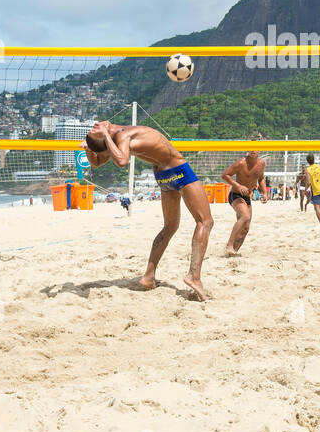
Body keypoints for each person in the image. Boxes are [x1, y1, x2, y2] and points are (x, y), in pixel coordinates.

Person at [85, 121, 213, 300]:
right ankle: (194, 276)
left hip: (162, 175)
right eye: (94, 129)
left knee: (170, 227)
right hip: (178, 169)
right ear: (102, 137)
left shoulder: (116, 139)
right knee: (205, 221)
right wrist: (103, 136)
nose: (96, 124)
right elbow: (121, 161)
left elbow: (97, 162)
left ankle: (148, 276)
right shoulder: (120, 135)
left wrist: (90, 148)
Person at [221, 150, 267, 257]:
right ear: (247, 149)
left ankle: (232, 253)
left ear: (259, 150)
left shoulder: (261, 164)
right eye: (250, 148)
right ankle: (229, 245)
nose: (253, 150)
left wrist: (265, 193)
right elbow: (225, 175)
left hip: (247, 197)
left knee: (245, 228)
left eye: (255, 148)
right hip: (235, 195)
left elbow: (261, 178)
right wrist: (238, 186)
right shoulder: (241, 163)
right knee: (245, 216)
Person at [303, 153, 320, 224]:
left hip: (316, 190)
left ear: (307, 161)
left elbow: (308, 182)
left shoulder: (307, 170)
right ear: (314, 159)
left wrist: (305, 190)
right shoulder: (319, 166)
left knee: (316, 207)